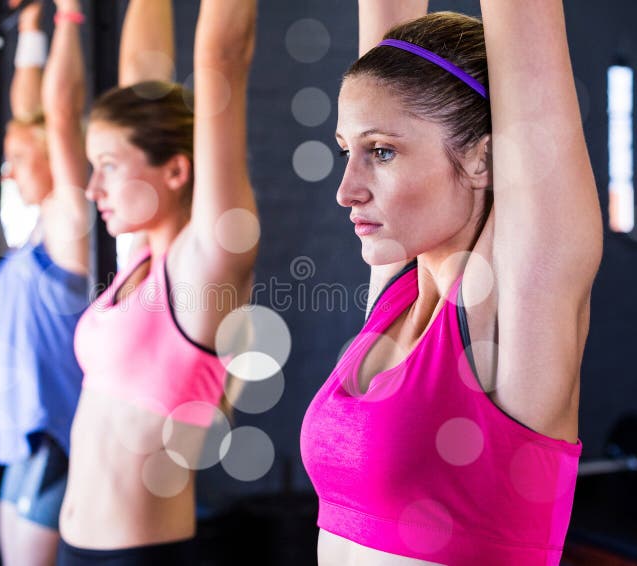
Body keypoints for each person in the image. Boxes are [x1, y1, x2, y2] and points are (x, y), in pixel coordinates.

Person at [301, 1, 602, 564]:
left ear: (484, 160)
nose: (346, 190)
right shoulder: (399, 296)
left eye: (381, 152)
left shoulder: (513, 306)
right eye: (348, 151)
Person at [57, 0, 258, 564]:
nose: (93, 187)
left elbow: (223, 56)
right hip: (74, 547)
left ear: (175, 171)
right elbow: (139, 81)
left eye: (110, 167)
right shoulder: (138, 257)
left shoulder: (204, 265)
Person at [0, 1, 90, 564]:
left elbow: (57, 109)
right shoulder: (37, 236)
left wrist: (70, 15)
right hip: (24, 445)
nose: (7, 171)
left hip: (54, 442)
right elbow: (29, 111)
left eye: (17, 159)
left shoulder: (67, 227)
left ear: (53, 157)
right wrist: (30, 26)